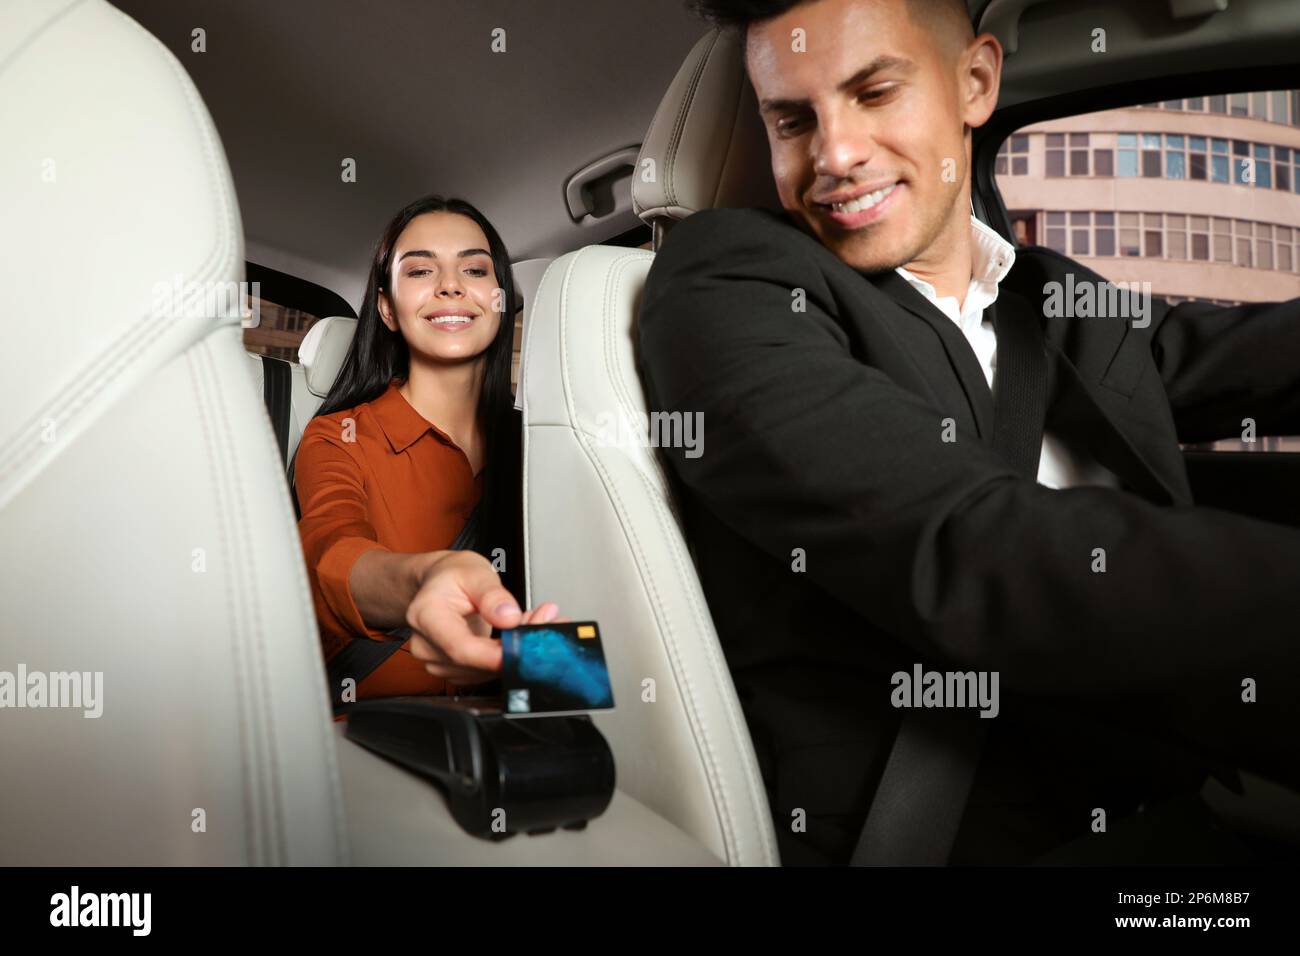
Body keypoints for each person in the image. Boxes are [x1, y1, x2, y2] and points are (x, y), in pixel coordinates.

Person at [638, 0, 1300, 864]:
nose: (835, 155)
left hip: (1175, 811)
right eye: (793, 120)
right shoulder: (730, 283)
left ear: (976, 82)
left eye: (875, 92)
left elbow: (1234, 357)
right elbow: (967, 544)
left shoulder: (1042, 296)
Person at [294, 195, 557, 708]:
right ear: (388, 308)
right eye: (420, 270)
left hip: (525, 735)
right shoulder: (338, 437)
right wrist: (425, 580)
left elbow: (585, 630)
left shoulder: (552, 446)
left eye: (474, 268)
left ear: (501, 301)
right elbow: (330, 551)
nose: (451, 284)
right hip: (369, 743)